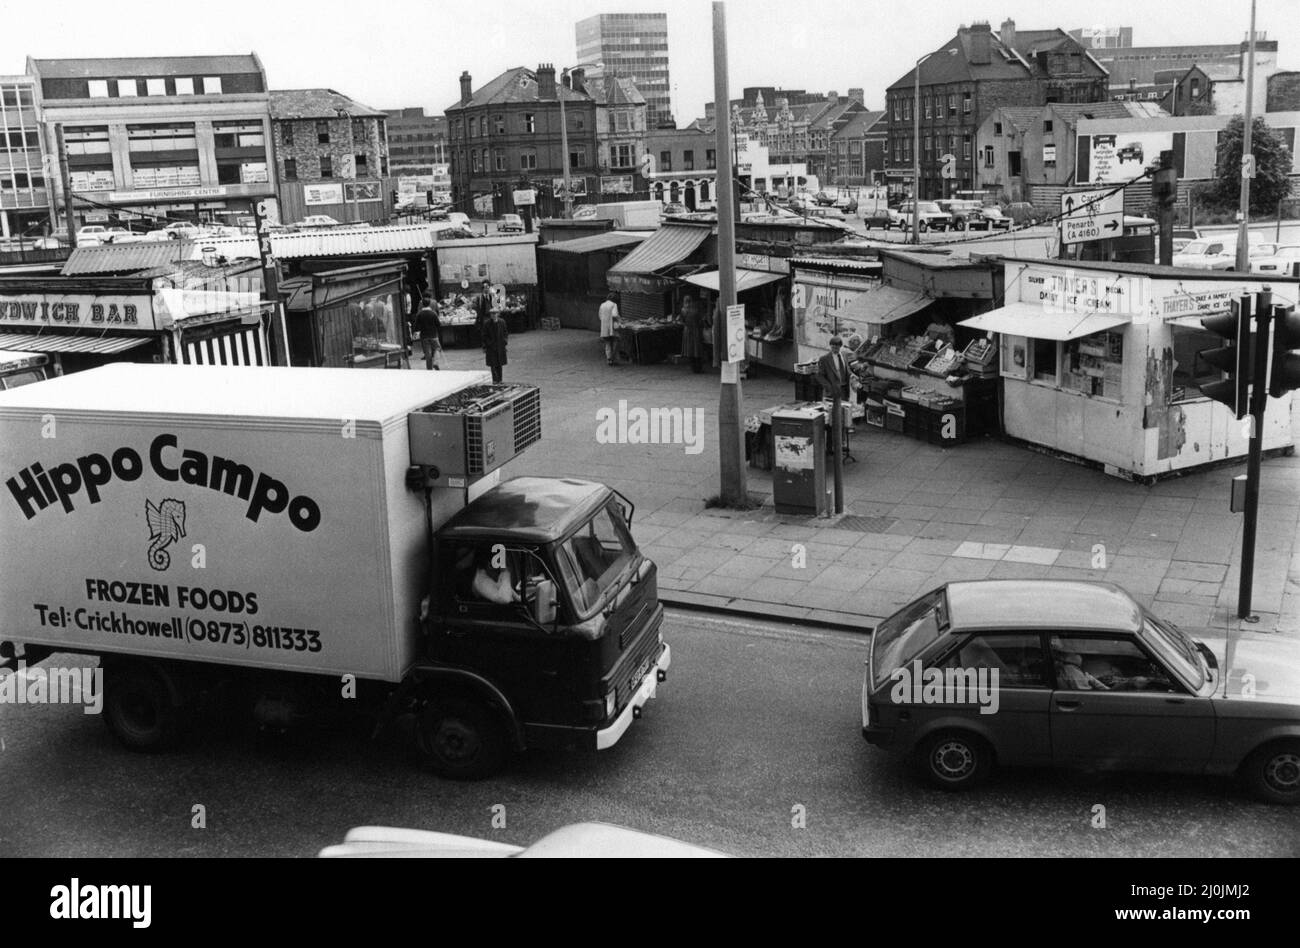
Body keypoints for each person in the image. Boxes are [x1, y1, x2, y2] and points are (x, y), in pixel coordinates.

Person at [677, 293, 705, 373]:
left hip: (687, 331)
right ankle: (698, 368)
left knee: (689, 350)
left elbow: (681, 321)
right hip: (695, 330)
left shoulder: (683, 310)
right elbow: (700, 321)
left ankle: (693, 368)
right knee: (697, 349)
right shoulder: (695, 310)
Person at [482, 307, 509, 383]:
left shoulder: (502, 322)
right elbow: (484, 335)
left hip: (500, 346)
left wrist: (505, 342)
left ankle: (500, 380)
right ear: (490, 315)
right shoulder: (487, 323)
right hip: (491, 347)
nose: (494, 315)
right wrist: (486, 345)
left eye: (495, 313)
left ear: (498, 314)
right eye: (492, 314)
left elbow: (505, 332)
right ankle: (495, 380)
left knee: (499, 364)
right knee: (493, 364)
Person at [414, 301, 442, 370]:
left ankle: (429, 369)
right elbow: (438, 324)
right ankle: (435, 362)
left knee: (427, 353)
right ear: (429, 304)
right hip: (433, 335)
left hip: (424, 336)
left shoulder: (419, 314)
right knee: (437, 348)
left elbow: (416, 326)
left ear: (422, 305)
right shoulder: (433, 313)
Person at [598, 291, 621, 366]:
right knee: (615, 342)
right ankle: (613, 358)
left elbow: (600, 316)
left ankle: (609, 359)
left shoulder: (602, 305)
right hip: (612, 327)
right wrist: (619, 319)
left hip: (604, 328)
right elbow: (615, 315)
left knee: (607, 343)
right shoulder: (614, 305)